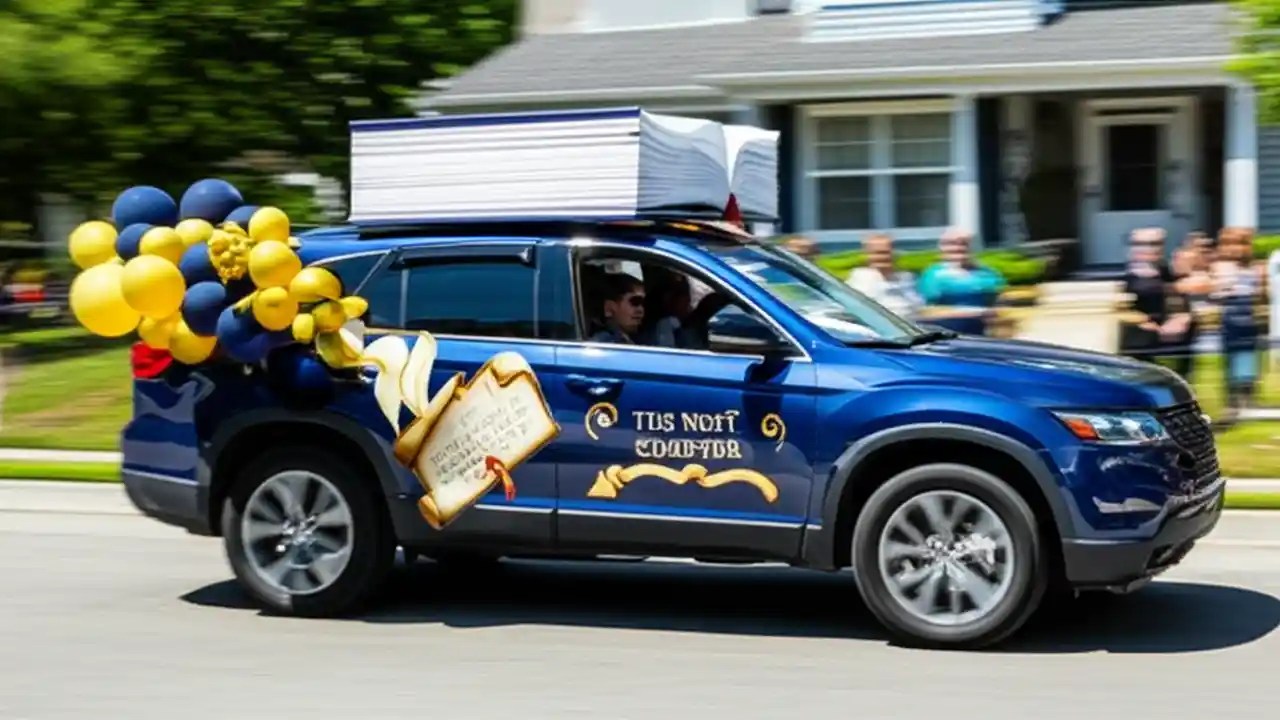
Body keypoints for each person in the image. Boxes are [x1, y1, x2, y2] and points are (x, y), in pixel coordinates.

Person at [1211, 226, 1267, 415]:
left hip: (1250, 320)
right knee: (1233, 359)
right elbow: (1216, 292)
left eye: (1241, 244)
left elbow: (1261, 295)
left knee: (1250, 359)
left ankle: (1248, 399)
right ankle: (1233, 401)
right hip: (1231, 320)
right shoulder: (1221, 267)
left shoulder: (1256, 267)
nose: (1237, 249)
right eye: (1231, 244)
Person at [1120, 227, 1193, 369]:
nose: (1149, 249)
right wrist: (1142, 322)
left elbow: (1182, 300)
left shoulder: (1169, 272)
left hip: (1170, 335)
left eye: (1155, 244)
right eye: (1142, 244)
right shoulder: (1126, 278)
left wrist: (1181, 317)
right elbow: (1121, 309)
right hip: (1139, 338)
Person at [845, 232, 922, 319]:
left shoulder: (906, 278)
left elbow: (920, 307)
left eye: (887, 252)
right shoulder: (860, 278)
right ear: (867, 255)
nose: (884, 257)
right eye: (878, 253)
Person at [589, 272, 646, 344]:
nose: (640, 309)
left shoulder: (625, 341)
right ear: (609, 308)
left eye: (643, 303)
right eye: (635, 302)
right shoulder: (604, 344)